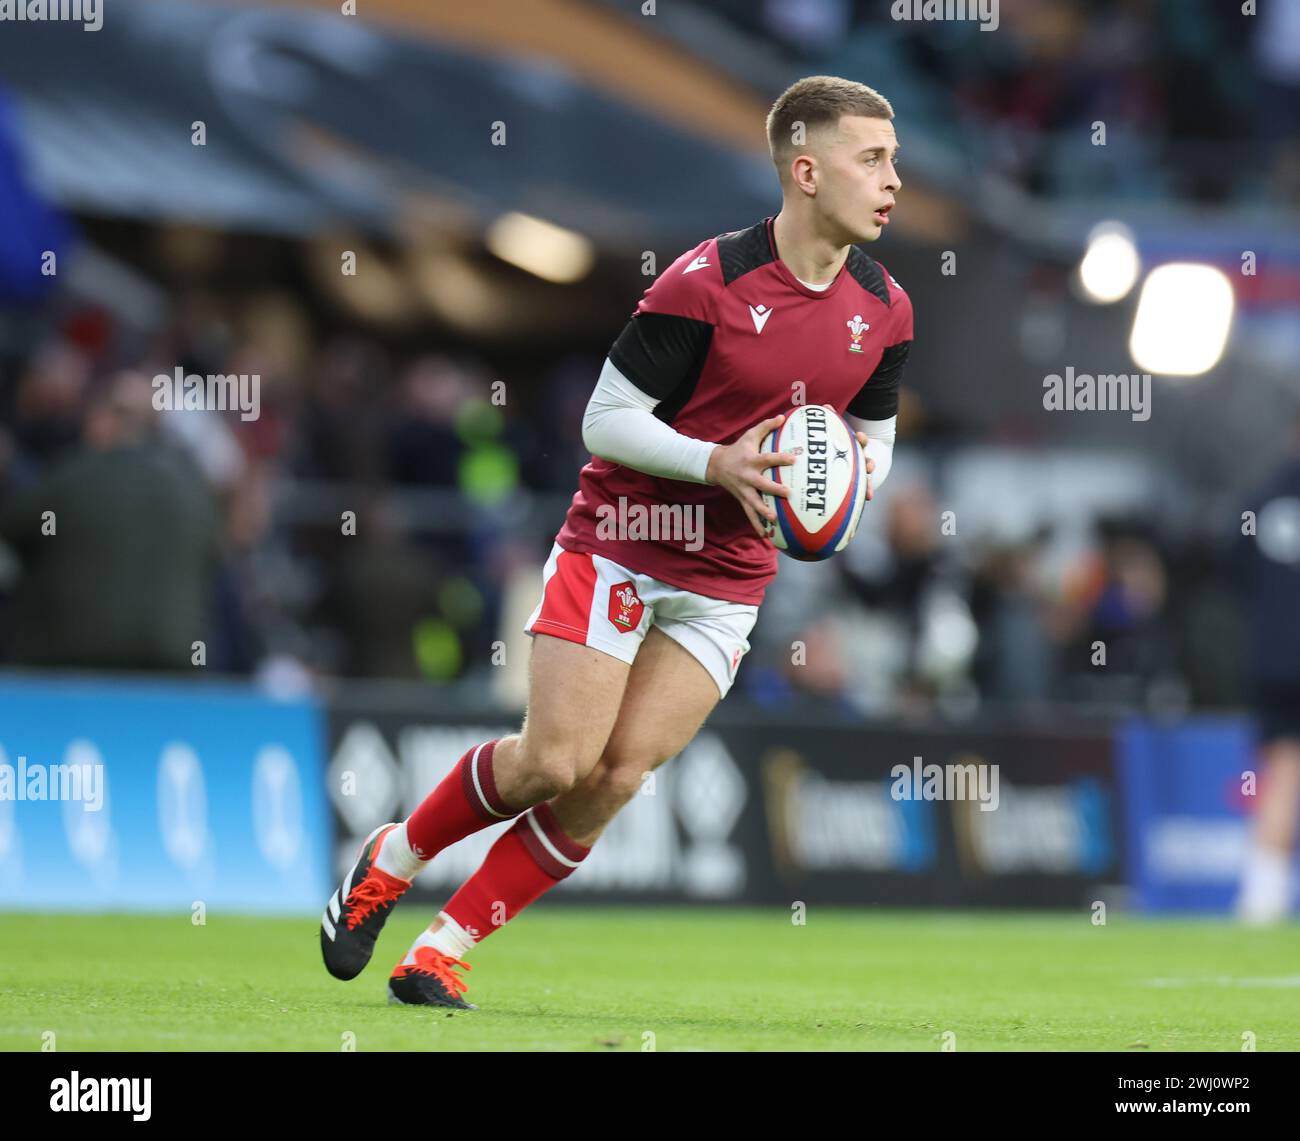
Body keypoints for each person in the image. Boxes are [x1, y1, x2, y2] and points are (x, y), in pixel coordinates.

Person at [320, 75, 913, 1006]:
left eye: (895, 160)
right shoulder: (707, 282)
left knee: (616, 773)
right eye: (871, 159)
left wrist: (848, 488)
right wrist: (718, 466)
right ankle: (389, 858)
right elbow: (605, 420)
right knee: (553, 760)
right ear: (805, 170)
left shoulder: (885, 308)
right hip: (626, 540)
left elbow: (871, 436)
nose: (893, 181)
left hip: (730, 577)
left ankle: (440, 949)